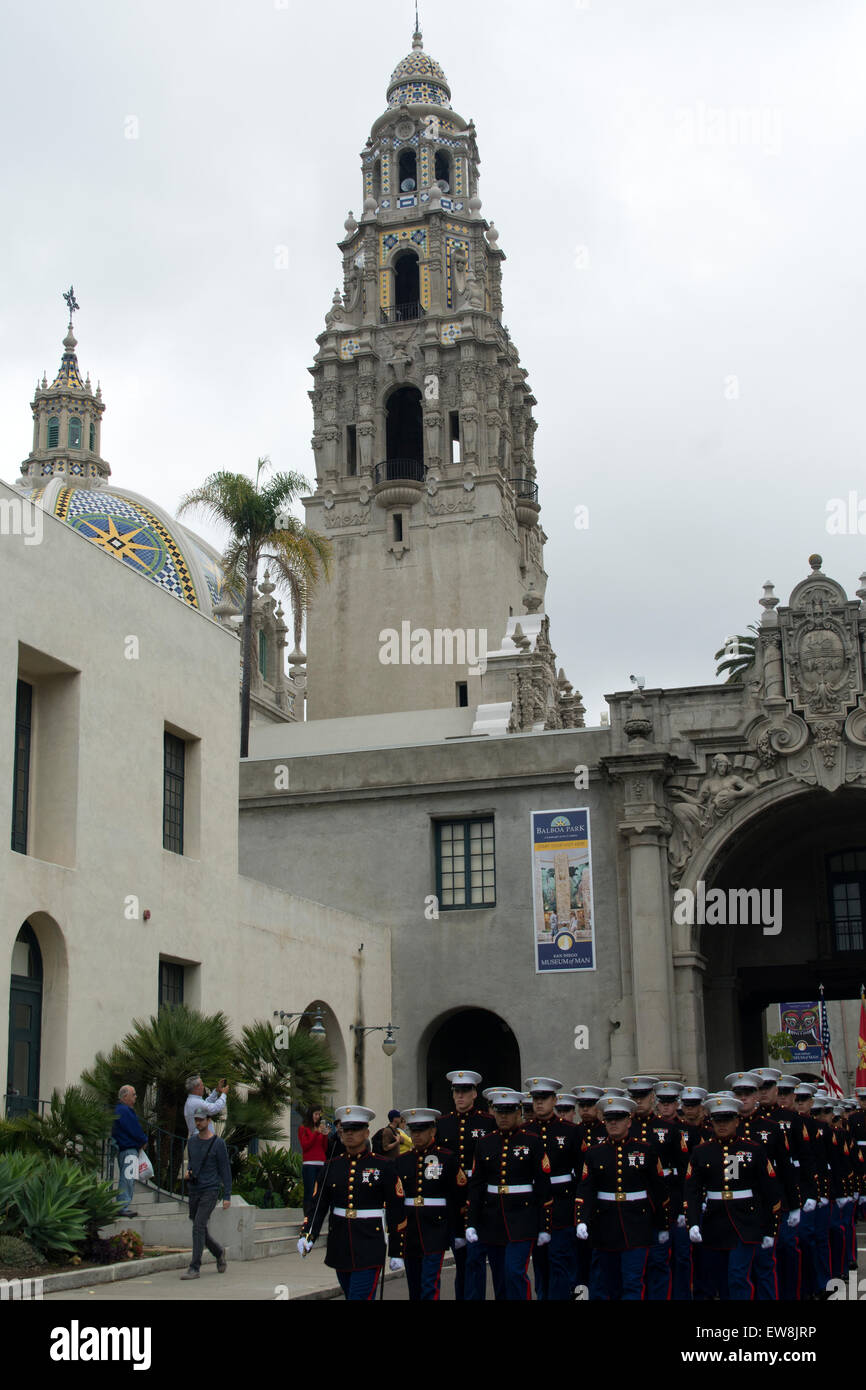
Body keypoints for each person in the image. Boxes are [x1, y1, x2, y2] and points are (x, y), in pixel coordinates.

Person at [298, 1105, 406, 1301]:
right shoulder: (332, 1166)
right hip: (340, 1245)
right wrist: (308, 1234)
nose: (349, 1134)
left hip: (369, 1246)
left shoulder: (383, 1166)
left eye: (355, 1129)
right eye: (345, 1129)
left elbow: (396, 1209)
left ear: (366, 1132)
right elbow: (318, 1205)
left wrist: (397, 1250)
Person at [685, 1094, 782, 1301]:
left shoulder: (752, 1149)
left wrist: (770, 1229)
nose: (722, 1125)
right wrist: (693, 1222)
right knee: (720, 1277)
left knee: (738, 1275)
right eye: (717, 1121)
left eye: (727, 1120)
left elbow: (769, 1190)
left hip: (746, 1221)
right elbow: (692, 1190)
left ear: (737, 1121)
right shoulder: (701, 1152)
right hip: (715, 1222)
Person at [575, 1095, 669, 1301]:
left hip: (637, 1225)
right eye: (609, 1119)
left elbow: (657, 1189)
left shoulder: (645, 1150)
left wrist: (662, 1224)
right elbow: (586, 1189)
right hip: (604, 1226)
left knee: (633, 1281)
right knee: (608, 1284)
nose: (613, 1123)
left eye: (618, 1119)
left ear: (629, 1121)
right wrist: (581, 1219)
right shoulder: (594, 1153)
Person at [465, 1086, 553, 1301]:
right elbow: (477, 1186)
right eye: (499, 1112)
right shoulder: (485, 1143)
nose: (503, 1117)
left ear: (518, 1113)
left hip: (523, 1219)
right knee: (500, 1276)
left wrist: (544, 1226)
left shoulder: (531, 1141)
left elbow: (543, 1186)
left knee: (514, 1271)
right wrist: (471, 1223)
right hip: (492, 1220)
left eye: (508, 1112)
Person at [436, 1069, 496, 1300]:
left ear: (474, 1094)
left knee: (475, 1258)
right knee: (461, 1261)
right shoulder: (442, 1124)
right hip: (452, 1198)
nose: (460, 1096)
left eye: (465, 1091)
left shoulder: (487, 1122)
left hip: (479, 1197)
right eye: (456, 1092)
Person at [396, 1107, 465, 1300]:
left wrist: (458, 1231)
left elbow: (458, 1196)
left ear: (432, 1131)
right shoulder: (402, 1161)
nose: (416, 1135)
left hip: (436, 1228)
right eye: (413, 1131)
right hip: (410, 1230)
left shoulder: (446, 1158)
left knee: (429, 1283)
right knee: (414, 1285)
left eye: (421, 1130)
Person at [521, 1075, 580, 1300]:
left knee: (559, 1262)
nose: (539, 1103)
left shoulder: (570, 1131)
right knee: (540, 1264)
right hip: (534, 1204)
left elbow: (580, 1171)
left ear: (554, 1100)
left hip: (561, 1205)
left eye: (544, 1098)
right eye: (536, 1098)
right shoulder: (525, 1132)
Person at [180, 1107, 231, 1280]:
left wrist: (227, 1196)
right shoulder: (192, 1142)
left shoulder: (218, 1143)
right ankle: (218, 1252)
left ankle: (194, 1267)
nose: (198, 1122)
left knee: (198, 1226)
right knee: (198, 1227)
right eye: (196, 1120)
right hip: (195, 1189)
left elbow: (225, 1170)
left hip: (211, 1189)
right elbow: (192, 1163)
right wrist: (189, 1172)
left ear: (209, 1120)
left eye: (201, 1119)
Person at [111, 1083, 147, 1218]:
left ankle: (123, 1205)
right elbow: (134, 1129)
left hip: (125, 1150)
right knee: (128, 1177)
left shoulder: (120, 1111)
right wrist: (143, 1140)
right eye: (134, 1094)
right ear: (125, 1096)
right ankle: (122, 1206)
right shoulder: (125, 1111)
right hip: (128, 1149)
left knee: (128, 1177)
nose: (136, 1097)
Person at [298, 1105, 329, 1206]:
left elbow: (324, 1148)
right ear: (310, 1114)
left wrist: (324, 1135)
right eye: (315, 1114)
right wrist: (316, 1133)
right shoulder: (304, 1128)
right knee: (310, 1191)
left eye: (319, 1114)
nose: (317, 1116)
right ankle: (308, 1215)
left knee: (321, 1191)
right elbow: (305, 1146)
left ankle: (317, 1214)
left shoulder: (319, 1128)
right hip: (309, 1163)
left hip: (321, 1163)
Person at [184, 1074, 228, 1138]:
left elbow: (205, 1104)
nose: (203, 1087)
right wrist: (224, 1094)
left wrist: (216, 1091)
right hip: (202, 1140)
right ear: (197, 1087)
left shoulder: (193, 1100)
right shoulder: (196, 1102)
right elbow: (215, 1108)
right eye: (202, 1085)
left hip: (200, 1139)